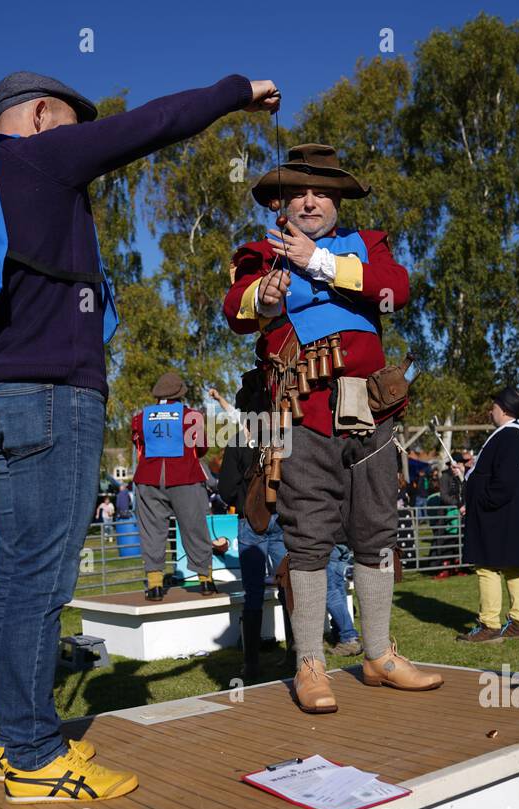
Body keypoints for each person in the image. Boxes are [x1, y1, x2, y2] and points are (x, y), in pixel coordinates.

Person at [0, 68, 281, 803]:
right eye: (71, 121)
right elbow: (155, 123)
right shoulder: (37, 156)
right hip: (50, 398)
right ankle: (35, 756)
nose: (81, 140)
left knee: (17, 580)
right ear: (39, 116)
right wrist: (235, 91)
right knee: (42, 582)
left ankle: (17, 742)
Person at [223, 142, 442, 713]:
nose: (312, 200)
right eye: (299, 192)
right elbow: (234, 310)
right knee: (308, 536)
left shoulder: (368, 246)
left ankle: (378, 655)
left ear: (339, 201)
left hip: (369, 412)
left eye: (322, 192)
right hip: (299, 417)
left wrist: (316, 263)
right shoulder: (256, 252)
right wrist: (264, 296)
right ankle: (310, 665)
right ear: (280, 205)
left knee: (375, 531)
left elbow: (396, 287)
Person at [216, 374, 287, 681]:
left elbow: (226, 490)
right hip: (282, 520)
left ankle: (252, 663)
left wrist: (244, 497)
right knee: (289, 587)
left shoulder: (235, 443)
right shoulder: (283, 439)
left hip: (250, 522)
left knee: (253, 593)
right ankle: (298, 655)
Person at [459, 387, 519, 644]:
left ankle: (490, 624)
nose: (490, 410)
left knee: (487, 566)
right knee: (512, 566)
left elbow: (504, 482)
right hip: (503, 514)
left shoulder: (511, 436)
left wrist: (481, 500)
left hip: (497, 514)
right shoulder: (511, 434)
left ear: (503, 409)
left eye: (493, 406)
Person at [130, 372, 216, 599]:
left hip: (148, 479)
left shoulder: (140, 417)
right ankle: (206, 582)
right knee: (195, 528)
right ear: (180, 394)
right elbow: (202, 447)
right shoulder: (192, 416)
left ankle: (155, 585)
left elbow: (137, 443)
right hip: (185, 477)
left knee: (152, 532)